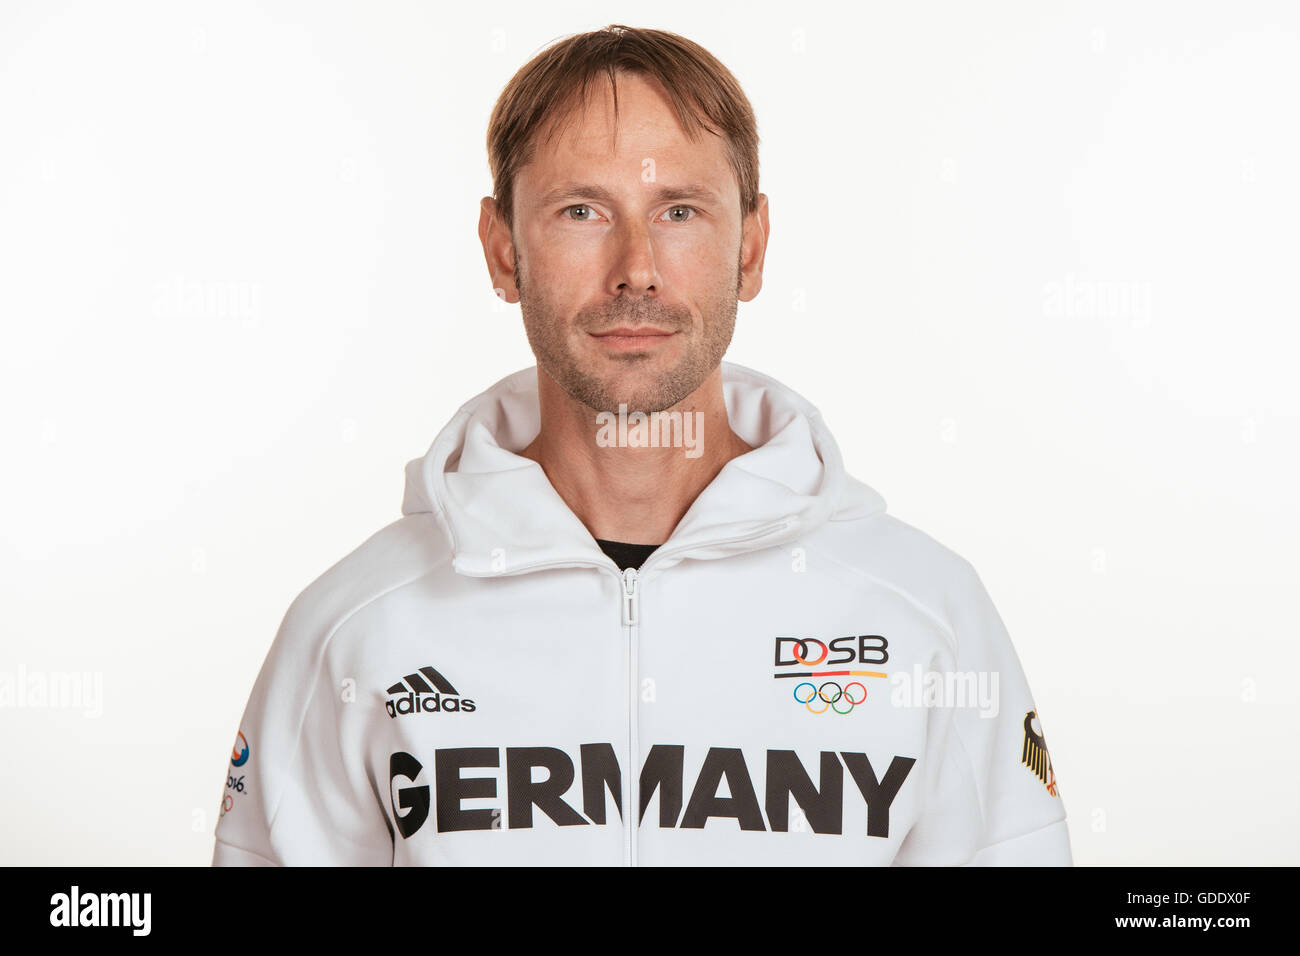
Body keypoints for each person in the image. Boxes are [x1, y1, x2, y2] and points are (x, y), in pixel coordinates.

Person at [211, 23, 1071, 866]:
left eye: (680, 211)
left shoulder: (925, 616)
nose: (636, 268)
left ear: (751, 247)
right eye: (582, 210)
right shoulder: (358, 627)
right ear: (503, 250)